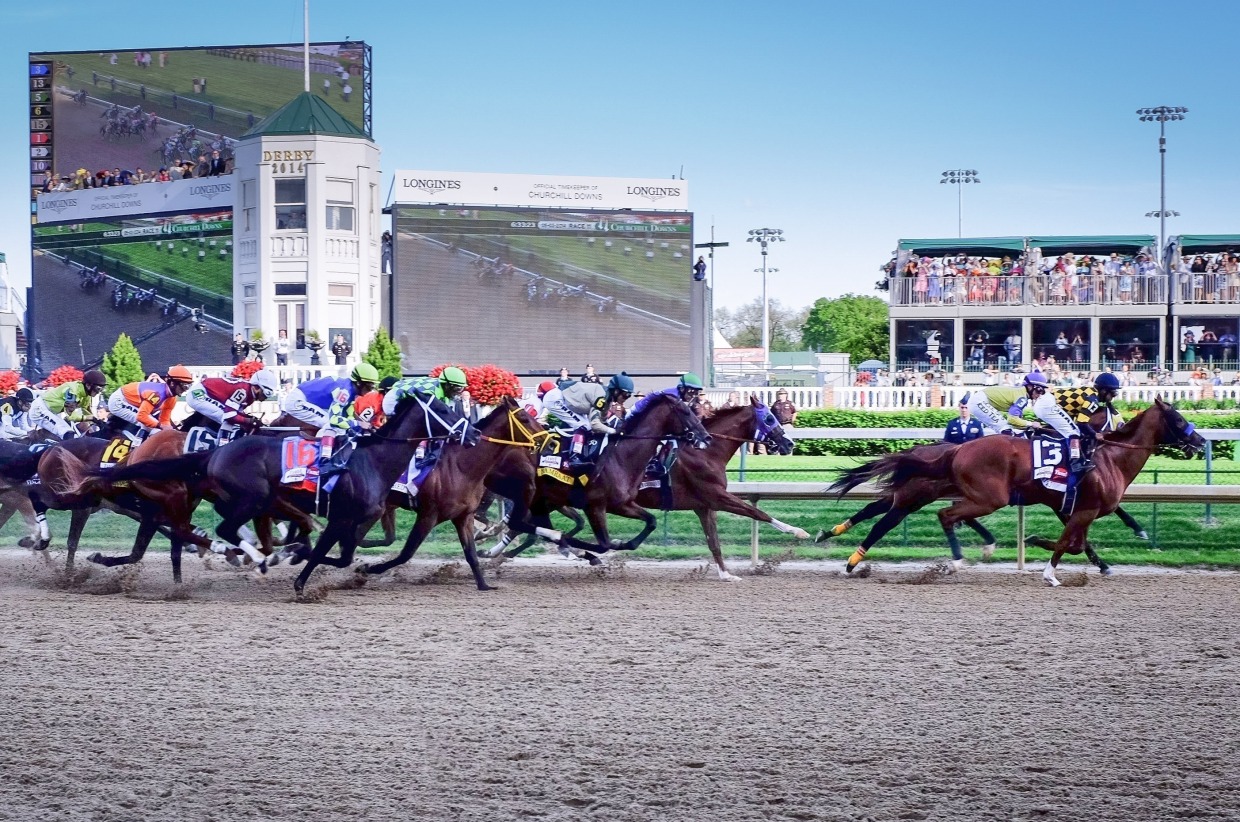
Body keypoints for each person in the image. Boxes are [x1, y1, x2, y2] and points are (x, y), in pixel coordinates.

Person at [543, 371, 634, 468]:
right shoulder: (602, 398)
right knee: (585, 425)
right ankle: (574, 456)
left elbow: (602, 420)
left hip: (565, 400)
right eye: (625, 394)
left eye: (629, 395)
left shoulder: (607, 399)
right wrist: (614, 431)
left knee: (586, 425)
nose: (626, 398)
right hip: (556, 399)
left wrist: (612, 428)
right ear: (616, 391)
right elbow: (595, 425)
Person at [105, 365, 193, 442]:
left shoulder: (172, 398)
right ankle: (135, 446)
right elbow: (142, 416)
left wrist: (169, 431)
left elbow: (164, 421)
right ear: (173, 383)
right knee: (147, 424)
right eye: (184, 385)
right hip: (118, 401)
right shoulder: (157, 394)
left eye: (189, 385)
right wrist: (160, 426)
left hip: (130, 401)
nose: (186, 389)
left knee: (156, 427)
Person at [181, 369, 278, 439]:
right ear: (257, 387)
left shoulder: (250, 395)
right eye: (265, 394)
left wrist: (250, 418)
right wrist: (249, 421)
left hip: (205, 393)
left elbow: (237, 414)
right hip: (198, 394)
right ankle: (222, 446)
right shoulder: (243, 392)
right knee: (225, 418)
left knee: (232, 420)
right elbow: (230, 416)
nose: (265, 398)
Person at [30, 370, 107, 439]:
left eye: (101, 389)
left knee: (69, 434)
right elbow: (71, 417)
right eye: (98, 389)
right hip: (39, 409)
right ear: (88, 385)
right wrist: (91, 418)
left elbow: (86, 410)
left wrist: (96, 421)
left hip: (52, 411)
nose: (99, 392)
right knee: (68, 433)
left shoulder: (86, 394)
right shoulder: (72, 391)